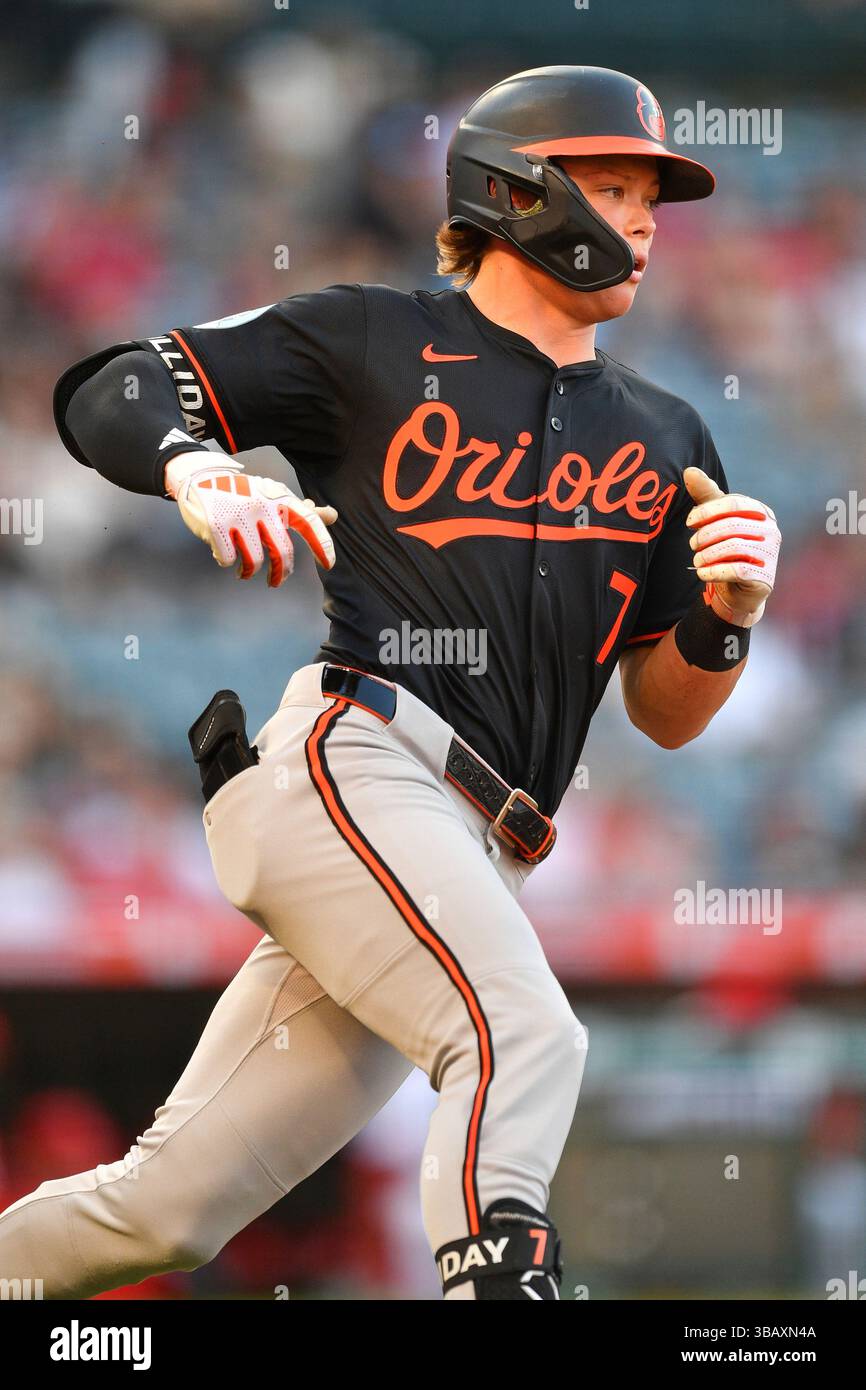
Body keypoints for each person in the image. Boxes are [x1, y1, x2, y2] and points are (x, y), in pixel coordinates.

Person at [0, 65, 780, 1301]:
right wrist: (194, 468)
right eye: (613, 183)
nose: (642, 218)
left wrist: (727, 617)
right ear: (514, 190)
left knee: (162, 1212)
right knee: (520, 1031)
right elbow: (114, 384)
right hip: (360, 763)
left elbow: (665, 713)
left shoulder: (667, 432)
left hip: (475, 848)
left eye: (651, 195)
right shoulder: (372, 335)